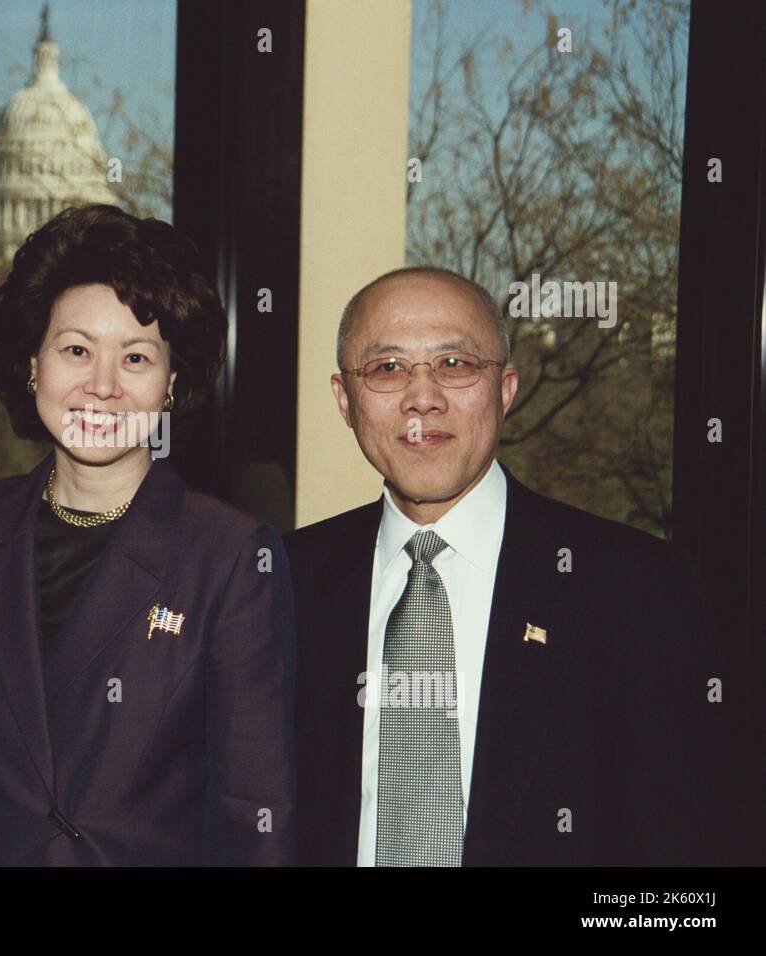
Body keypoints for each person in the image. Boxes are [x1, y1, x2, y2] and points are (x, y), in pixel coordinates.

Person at [286, 266, 729, 866]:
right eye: (388, 368)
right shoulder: (278, 585)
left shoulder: (637, 591)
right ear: (345, 399)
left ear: (505, 390)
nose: (423, 397)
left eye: (455, 364)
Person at [0, 204, 295, 865]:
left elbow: (254, 812)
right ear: (34, 365)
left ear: (171, 383)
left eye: (136, 357)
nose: (103, 385)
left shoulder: (230, 557)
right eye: (76, 349)